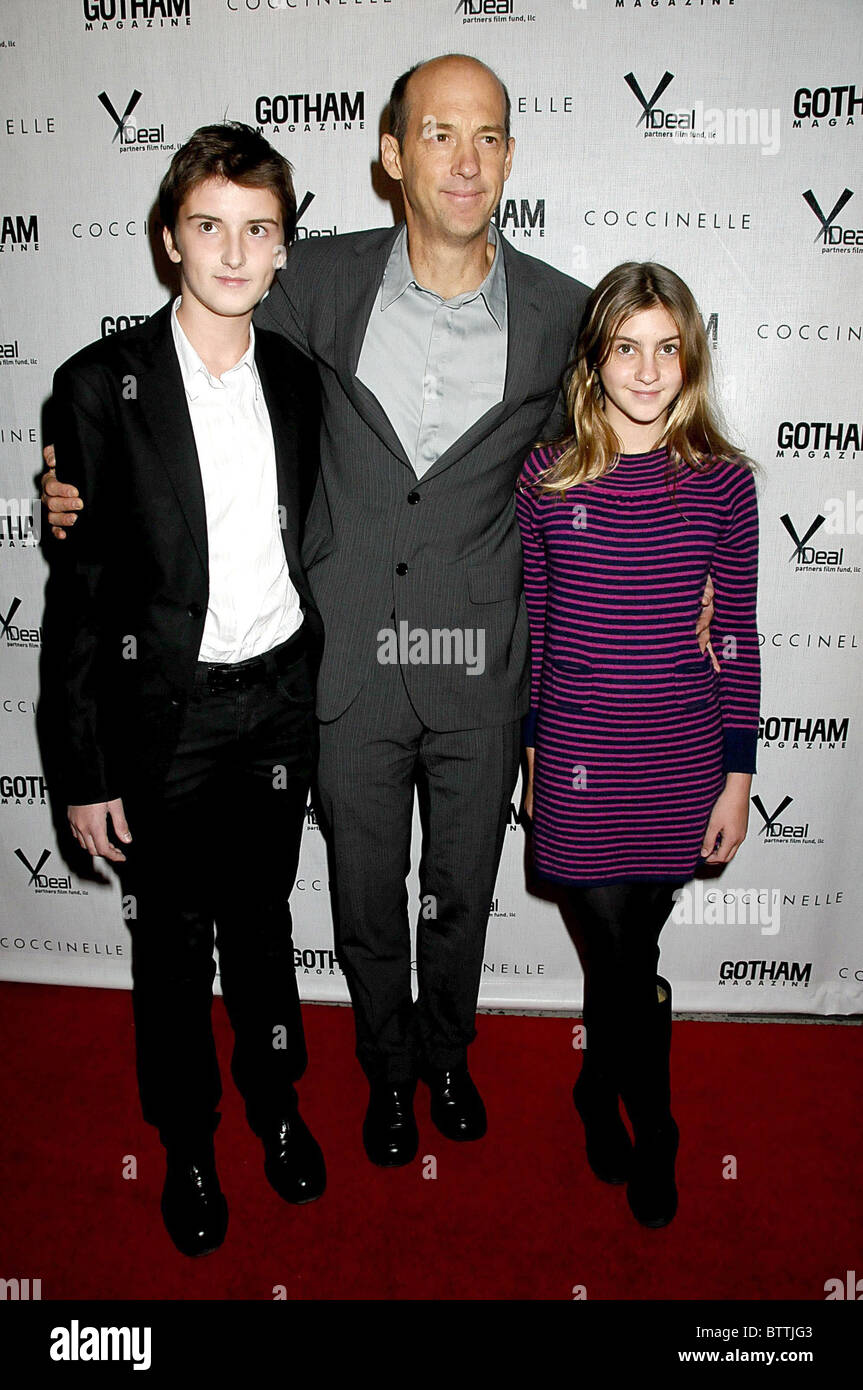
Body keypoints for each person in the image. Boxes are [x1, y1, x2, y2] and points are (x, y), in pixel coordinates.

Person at [42, 55, 712, 1170]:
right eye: (438, 134)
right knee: (360, 901)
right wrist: (79, 497)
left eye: (487, 136)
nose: (463, 158)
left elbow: (629, 433)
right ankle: (386, 1074)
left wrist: (684, 565)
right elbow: (177, 386)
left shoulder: (561, 312)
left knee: (458, 893)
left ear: (508, 157)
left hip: (478, 665)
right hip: (339, 667)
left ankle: (447, 1055)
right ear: (392, 156)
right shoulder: (310, 282)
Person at [47, 123, 326, 1257]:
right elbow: (79, 593)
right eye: (208, 226)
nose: (231, 250)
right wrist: (82, 767)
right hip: (163, 717)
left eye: (257, 230)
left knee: (263, 929)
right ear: (171, 240)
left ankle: (275, 1104)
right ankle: (190, 1143)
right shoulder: (95, 386)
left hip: (276, 703)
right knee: (169, 946)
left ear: (281, 253)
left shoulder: (300, 383)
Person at [516, 262, 760, 1227]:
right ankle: (653, 1128)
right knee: (624, 966)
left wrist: (736, 776)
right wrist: (534, 755)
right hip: (577, 759)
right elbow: (535, 628)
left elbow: (735, 632)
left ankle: (597, 1094)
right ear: (595, 357)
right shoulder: (545, 477)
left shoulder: (723, 484)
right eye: (627, 346)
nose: (648, 370)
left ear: (690, 357)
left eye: (667, 348)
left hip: (678, 760)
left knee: (627, 959)